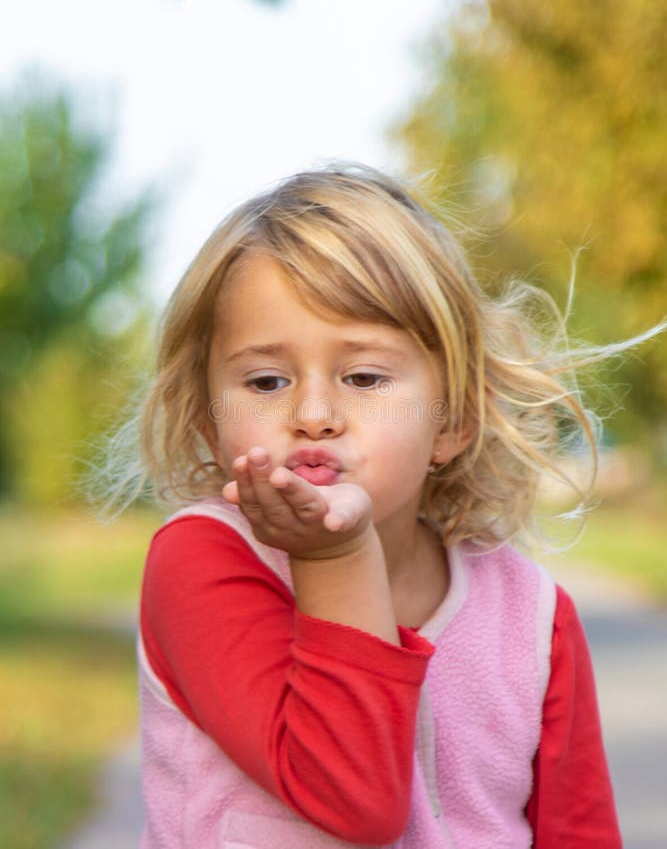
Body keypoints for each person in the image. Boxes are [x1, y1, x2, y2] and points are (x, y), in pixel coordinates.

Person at [125, 164, 625, 847]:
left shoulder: (530, 617)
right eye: (266, 381)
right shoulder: (202, 560)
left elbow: (578, 831)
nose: (313, 414)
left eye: (362, 376)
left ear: (452, 419)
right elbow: (352, 799)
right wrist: (333, 555)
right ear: (208, 421)